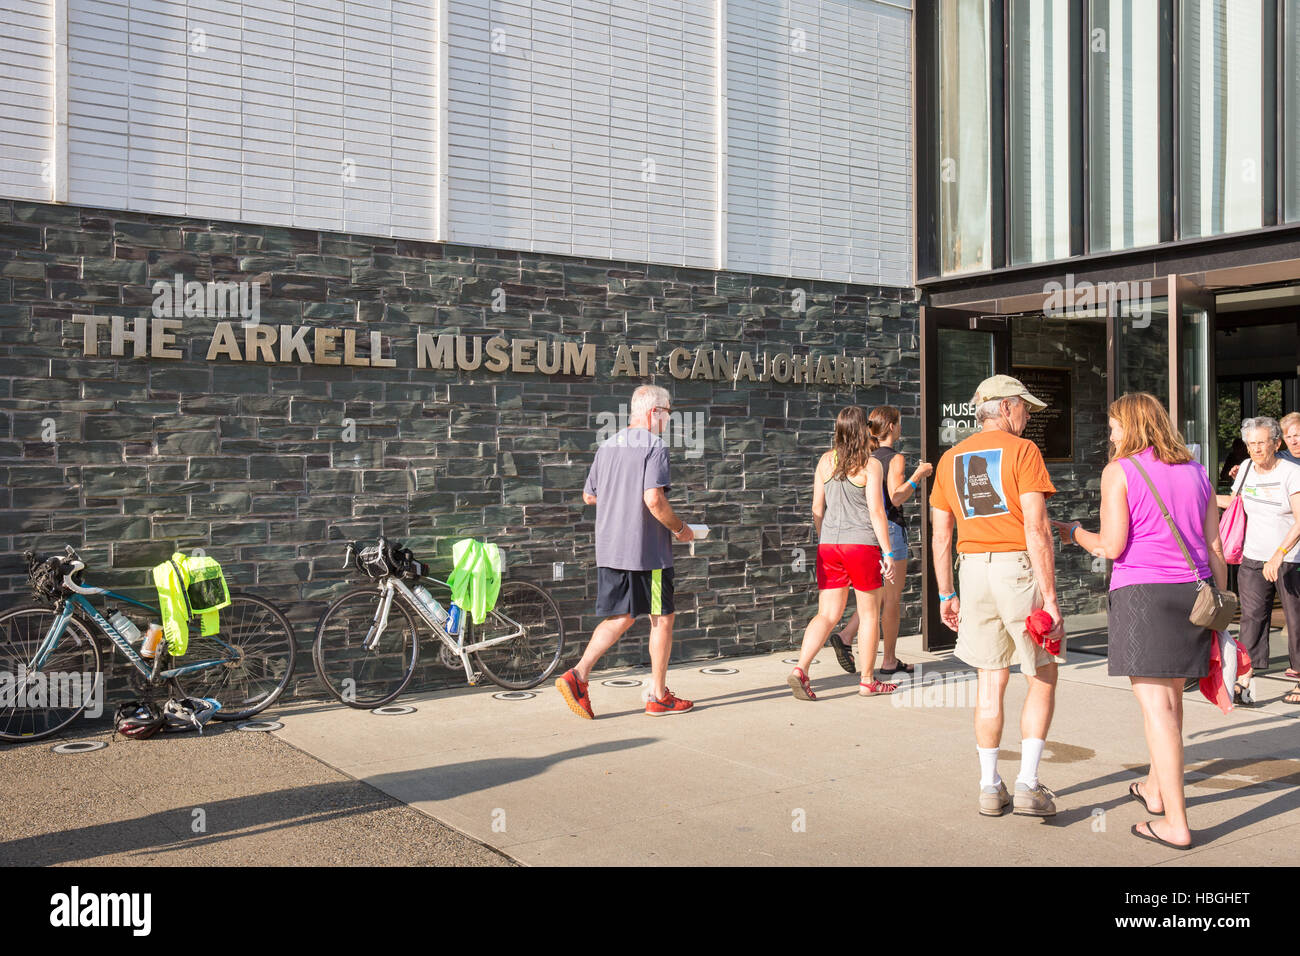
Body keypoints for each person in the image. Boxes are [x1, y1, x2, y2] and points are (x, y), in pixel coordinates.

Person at [1054, 392, 1227, 850]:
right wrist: (1222, 606)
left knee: (1157, 711)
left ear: (1131, 426)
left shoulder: (1121, 471)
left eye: (1113, 426)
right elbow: (1215, 548)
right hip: (1195, 594)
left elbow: (1111, 546)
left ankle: (1176, 822)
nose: (1110, 435)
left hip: (1143, 595)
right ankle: (1154, 789)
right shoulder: (1197, 471)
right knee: (1171, 703)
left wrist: (1074, 534)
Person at [929, 375, 1064, 818]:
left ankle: (989, 785)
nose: (1027, 416)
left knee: (991, 677)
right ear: (1005, 407)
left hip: (972, 573)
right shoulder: (1023, 452)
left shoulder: (949, 458)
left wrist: (946, 592)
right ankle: (1027, 782)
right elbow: (1037, 528)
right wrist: (1050, 597)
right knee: (1041, 672)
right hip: (1016, 570)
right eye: (1024, 407)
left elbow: (940, 534)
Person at [555, 384, 696, 719]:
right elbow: (654, 500)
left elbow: (590, 496)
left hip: (611, 548)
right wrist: (681, 529)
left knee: (621, 616)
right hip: (648, 552)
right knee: (662, 619)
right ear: (655, 412)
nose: (669, 420)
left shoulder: (607, 446)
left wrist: (620, 500)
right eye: (669, 413)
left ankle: (578, 674)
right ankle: (658, 696)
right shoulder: (654, 446)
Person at [787, 406, 898, 700]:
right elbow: (876, 512)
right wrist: (887, 552)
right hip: (861, 545)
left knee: (826, 614)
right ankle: (867, 680)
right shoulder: (870, 465)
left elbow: (816, 508)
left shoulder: (825, 461)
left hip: (829, 546)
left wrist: (826, 536)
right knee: (869, 613)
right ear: (863, 430)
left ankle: (800, 669)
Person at [826, 406, 932, 682]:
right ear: (892, 426)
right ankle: (887, 660)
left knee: (876, 597)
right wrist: (918, 475)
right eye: (899, 423)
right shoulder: (895, 458)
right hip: (890, 531)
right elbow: (896, 497)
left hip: (864, 535)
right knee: (890, 601)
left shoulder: (864, 456)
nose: (900, 428)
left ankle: (848, 636)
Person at [1215, 417, 1300, 697]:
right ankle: (1246, 678)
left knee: (1296, 618)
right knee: (1252, 618)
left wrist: (1280, 554)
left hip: (1290, 559)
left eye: (1261, 443)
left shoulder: (1291, 473)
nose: (1255, 449)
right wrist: (1203, 494)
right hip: (1253, 557)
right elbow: (1235, 503)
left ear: (1276, 443)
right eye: (1251, 444)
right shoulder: (1247, 468)